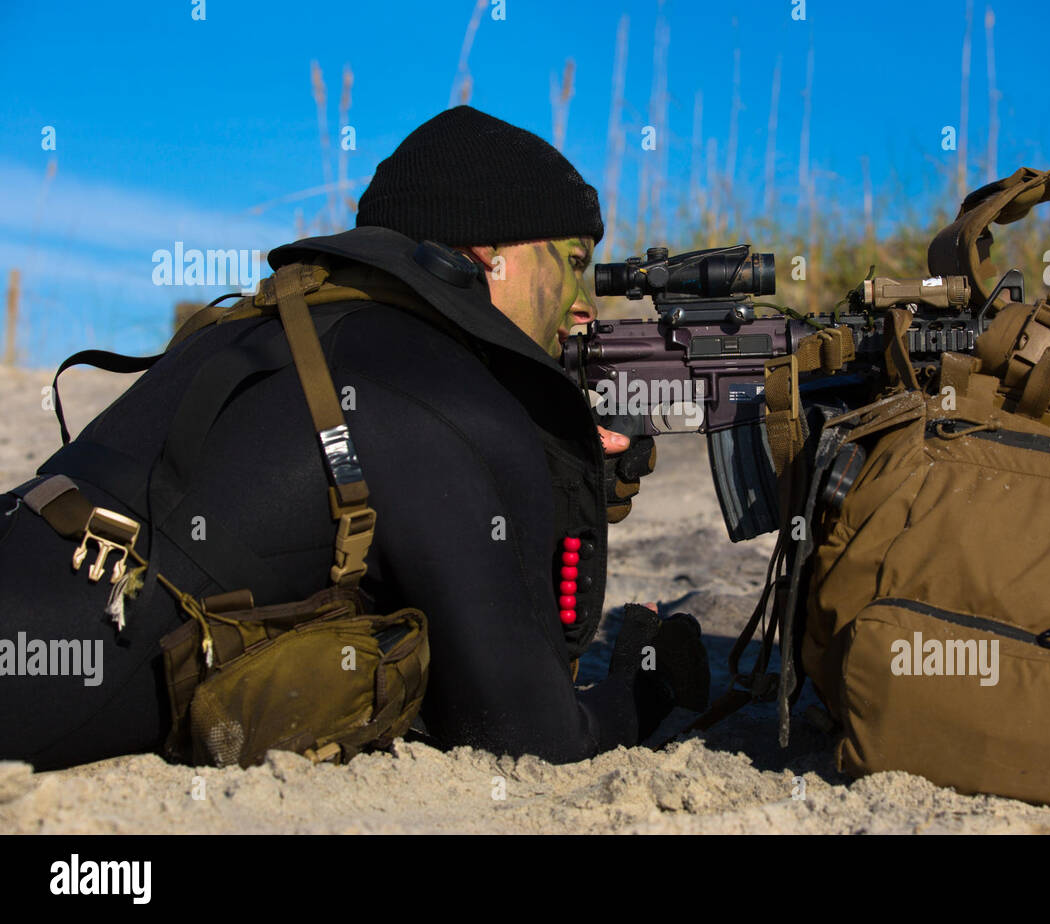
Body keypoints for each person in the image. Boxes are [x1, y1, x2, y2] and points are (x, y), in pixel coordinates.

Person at [0, 105, 708, 771]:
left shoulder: (268, 326)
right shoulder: (447, 399)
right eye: (575, 263)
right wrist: (646, 677)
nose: (585, 306)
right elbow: (534, 739)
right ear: (484, 254)